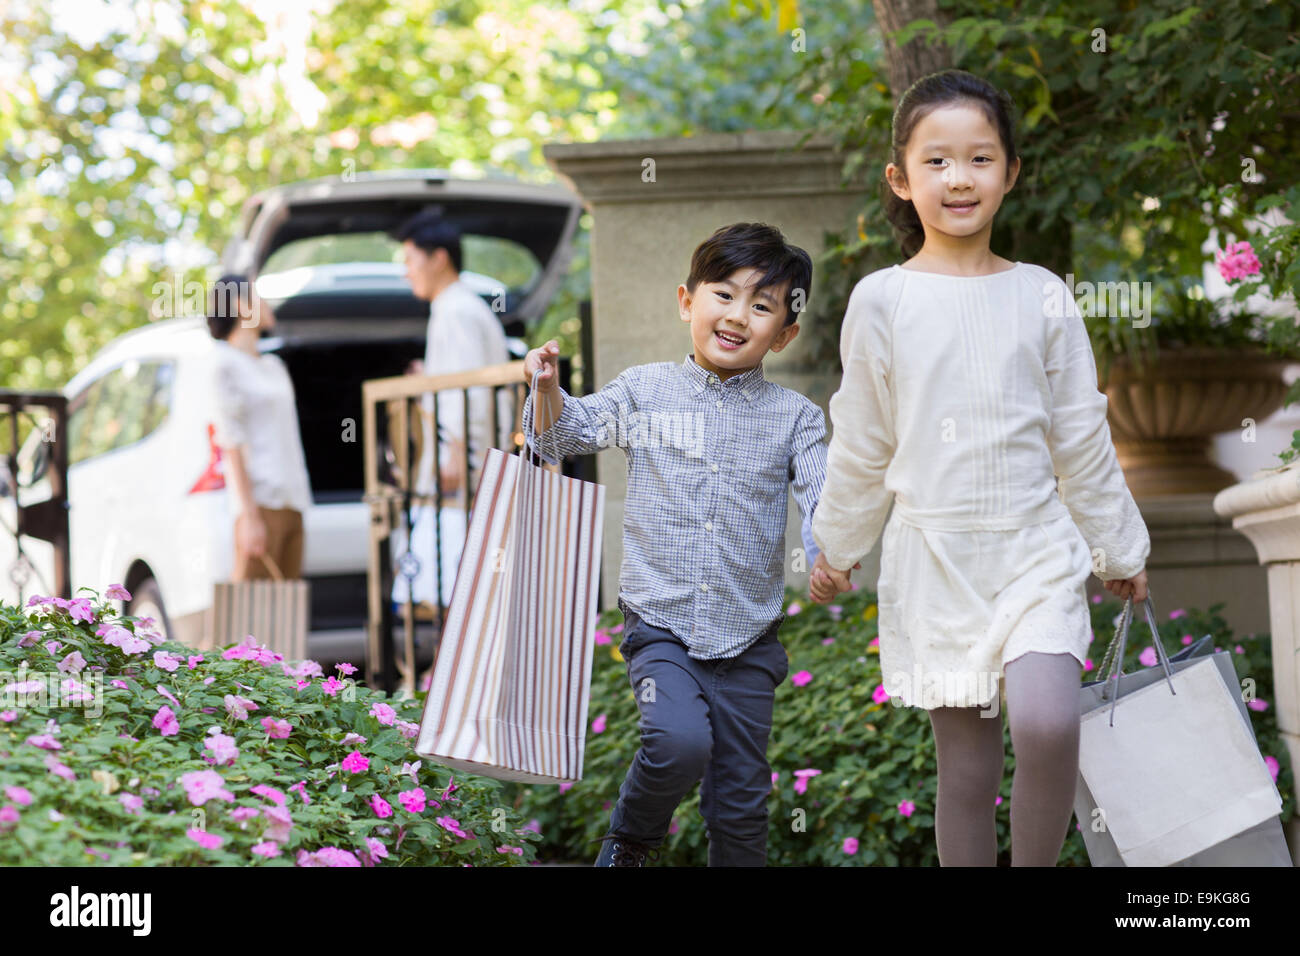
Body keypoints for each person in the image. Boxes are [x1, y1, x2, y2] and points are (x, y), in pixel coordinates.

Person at [807, 69, 1151, 867]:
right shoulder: (881, 300)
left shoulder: (1043, 296)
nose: (958, 178)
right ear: (900, 179)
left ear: (1010, 172)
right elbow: (863, 440)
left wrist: (1119, 550)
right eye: (936, 161)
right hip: (936, 561)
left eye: (980, 158)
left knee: (1047, 723)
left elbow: (1081, 438)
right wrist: (838, 545)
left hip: (1036, 551)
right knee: (965, 771)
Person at [522, 222, 829, 867]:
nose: (739, 316)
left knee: (742, 803)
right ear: (688, 301)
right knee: (678, 742)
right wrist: (548, 390)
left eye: (763, 305)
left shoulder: (796, 416)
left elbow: (822, 499)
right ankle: (631, 841)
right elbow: (560, 440)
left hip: (749, 638)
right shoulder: (644, 390)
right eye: (724, 294)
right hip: (660, 623)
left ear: (786, 331)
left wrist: (829, 552)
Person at [388, 210, 513, 619]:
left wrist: (456, 454)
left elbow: (469, 393)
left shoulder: (454, 310)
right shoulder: (463, 306)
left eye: (409, 259)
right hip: (472, 460)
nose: (406, 272)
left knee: (454, 587)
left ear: (438, 258)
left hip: (463, 465)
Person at [206, 274, 313, 581]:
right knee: (247, 618)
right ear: (241, 305)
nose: (267, 304)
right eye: (259, 296)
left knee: (284, 614)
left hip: (293, 499)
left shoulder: (273, 366)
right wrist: (249, 517)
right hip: (260, 503)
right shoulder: (223, 363)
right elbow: (231, 443)